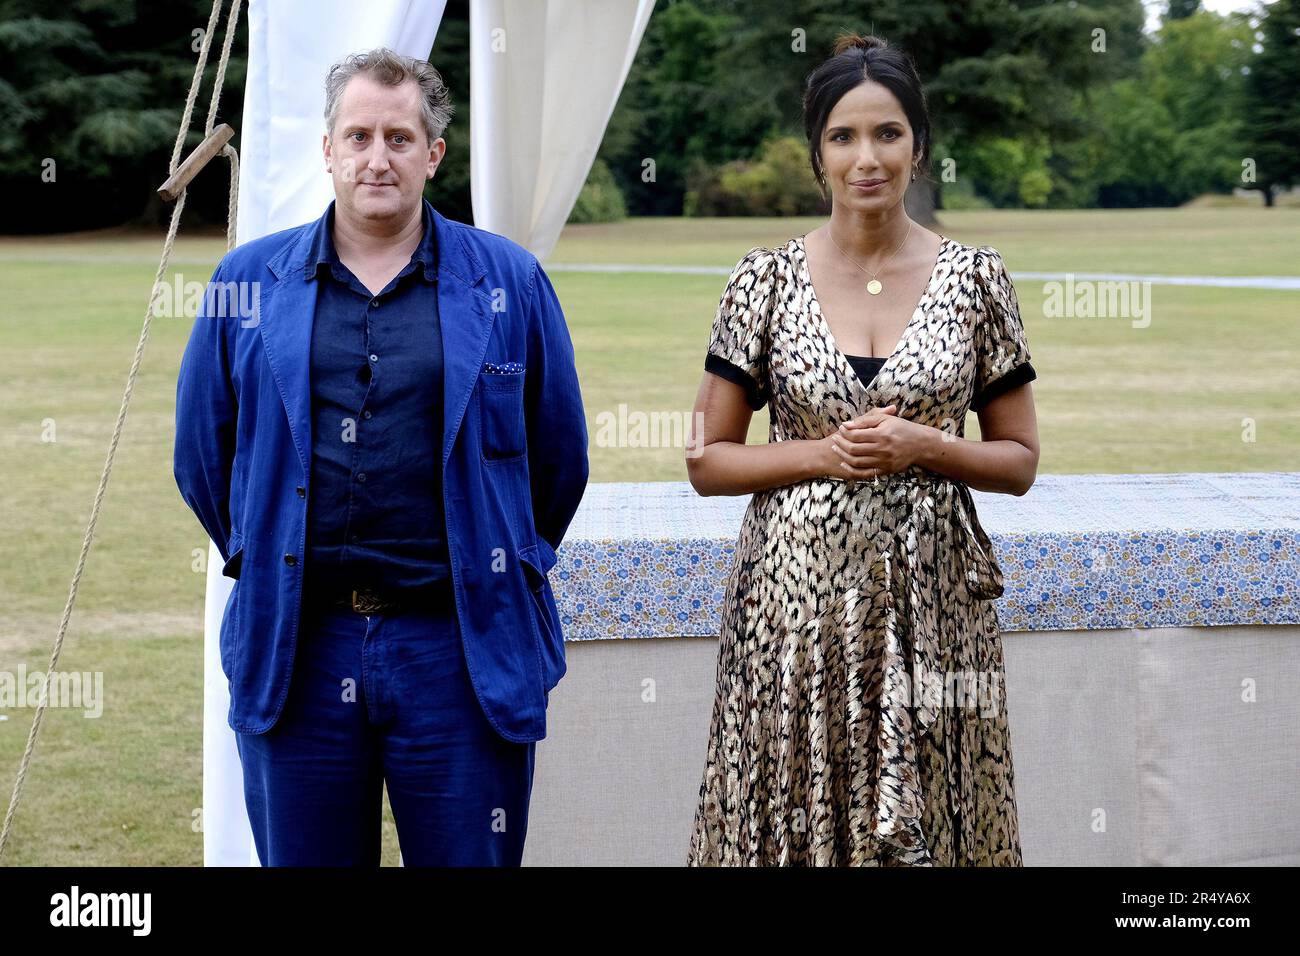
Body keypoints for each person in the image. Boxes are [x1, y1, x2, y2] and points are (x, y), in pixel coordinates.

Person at [173, 48, 588, 866]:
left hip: (460, 650)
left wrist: (502, 557)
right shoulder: (244, 283)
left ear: (434, 154)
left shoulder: (510, 281)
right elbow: (201, 453)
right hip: (301, 645)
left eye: (400, 138)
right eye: (357, 135)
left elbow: (558, 456)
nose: (377, 157)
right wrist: (264, 554)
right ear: (327, 149)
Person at [684, 33, 1038, 866]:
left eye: (888, 133)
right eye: (843, 137)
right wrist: (822, 455)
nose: (866, 158)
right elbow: (706, 457)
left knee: (936, 815)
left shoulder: (977, 278)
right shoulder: (763, 279)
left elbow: (1019, 459)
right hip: (793, 615)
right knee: (797, 807)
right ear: (817, 153)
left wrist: (926, 444)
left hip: (934, 609)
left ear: (919, 144)